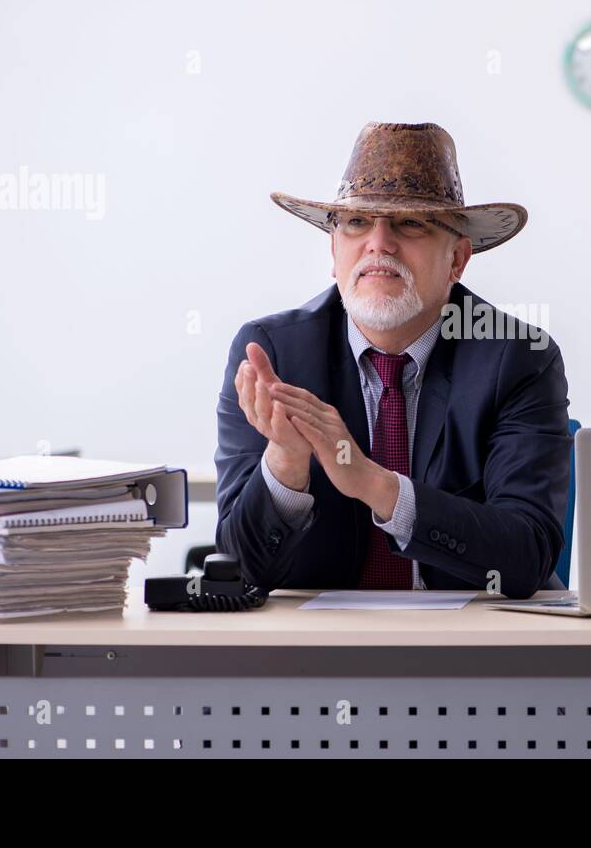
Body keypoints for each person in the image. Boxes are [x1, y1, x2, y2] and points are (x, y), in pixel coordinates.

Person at [214, 122, 571, 599]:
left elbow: (527, 555)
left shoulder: (517, 358)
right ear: (334, 250)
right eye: (357, 223)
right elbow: (244, 571)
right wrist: (284, 463)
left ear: (457, 261)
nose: (378, 243)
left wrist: (374, 484)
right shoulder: (273, 356)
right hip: (318, 654)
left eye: (410, 223)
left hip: (477, 648)